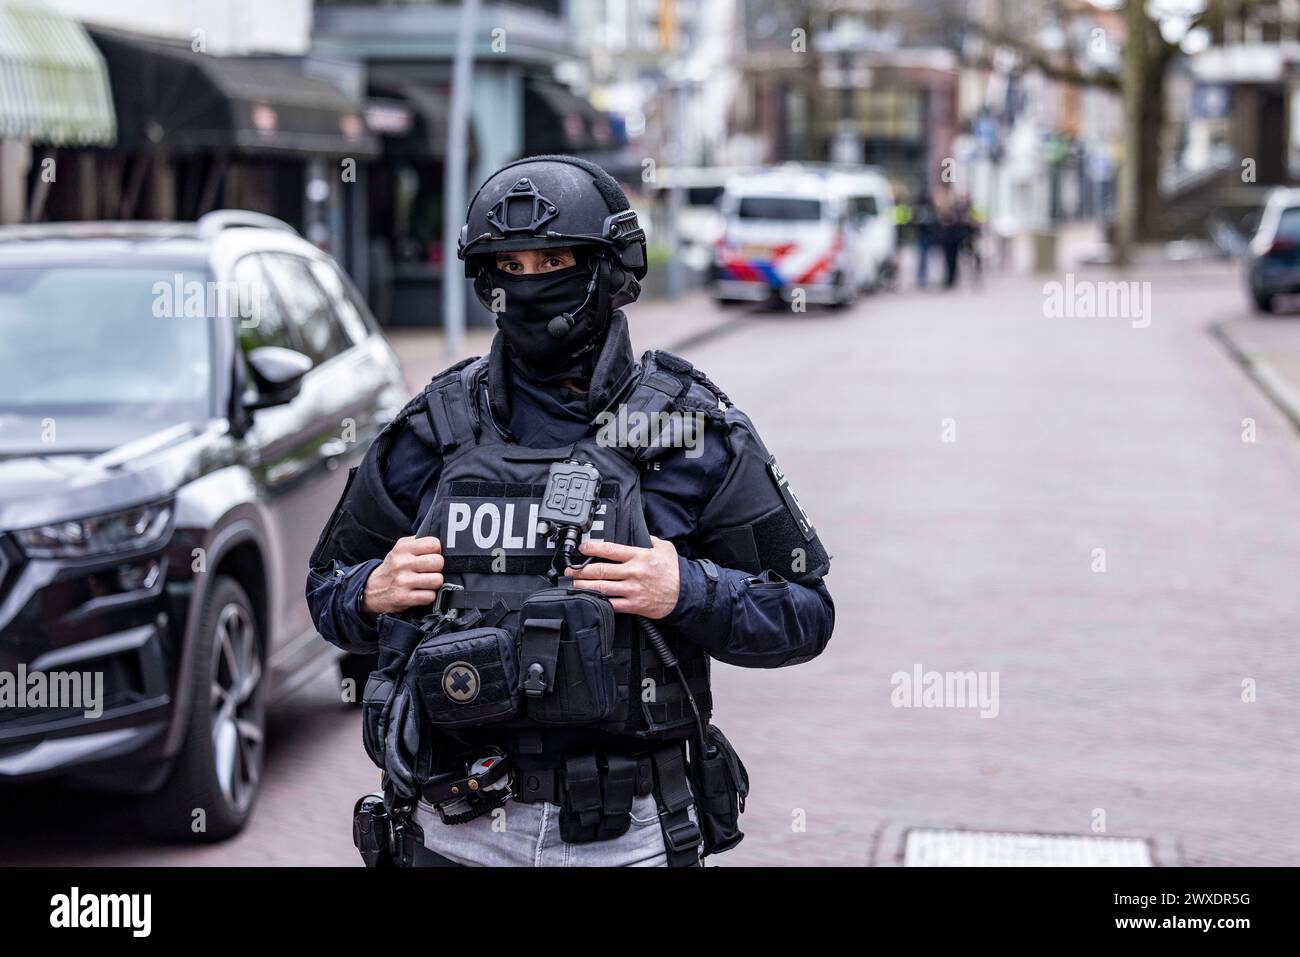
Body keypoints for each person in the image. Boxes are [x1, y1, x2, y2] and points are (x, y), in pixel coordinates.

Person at [307, 155, 834, 867]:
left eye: (554, 259)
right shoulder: (435, 428)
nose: (529, 284)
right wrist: (369, 593)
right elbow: (326, 587)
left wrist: (687, 591)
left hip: (625, 838)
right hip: (454, 830)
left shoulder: (686, 428)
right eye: (510, 266)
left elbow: (805, 611)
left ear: (609, 270)